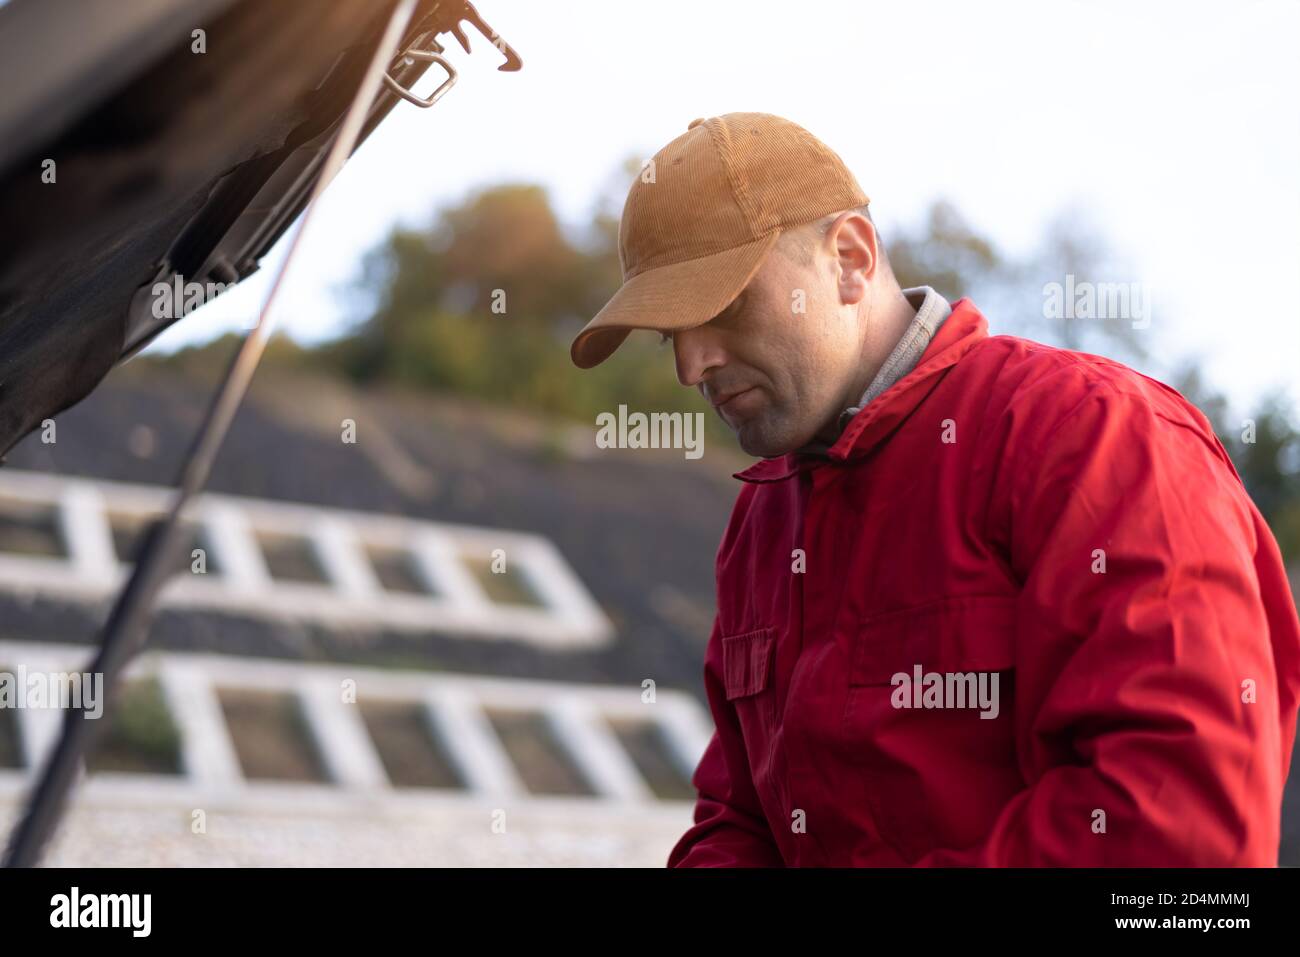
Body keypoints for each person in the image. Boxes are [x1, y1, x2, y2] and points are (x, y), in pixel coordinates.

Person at [570, 112, 1300, 866]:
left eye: (719, 309)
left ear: (850, 259)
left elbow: (1179, 828)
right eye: (668, 336)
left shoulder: (1094, 438)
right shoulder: (762, 519)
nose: (691, 367)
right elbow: (739, 819)